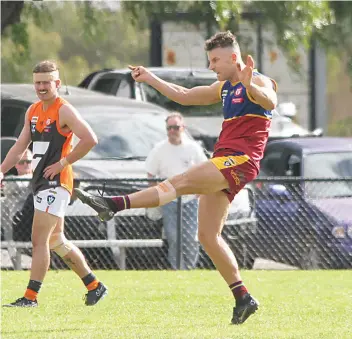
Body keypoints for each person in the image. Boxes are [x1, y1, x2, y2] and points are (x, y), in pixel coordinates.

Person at [75, 31, 278, 324]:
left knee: (179, 182)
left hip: (240, 161)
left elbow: (269, 101)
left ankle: (114, 204)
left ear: (234, 58)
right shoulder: (223, 87)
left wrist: (251, 87)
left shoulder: (256, 80)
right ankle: (243, 297)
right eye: (210, 61)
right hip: (224, 159)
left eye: (215, 60)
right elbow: (183, 96)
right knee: (208, 236)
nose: (211, 66)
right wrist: (149, 79)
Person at [0, 60, 107, 307]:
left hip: (56, 183)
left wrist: (62, 163)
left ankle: (30, 297)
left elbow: (90, 139)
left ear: (57, 83)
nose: (41, 87)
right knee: (56, 241)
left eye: (46, 82)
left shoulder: (64, 110)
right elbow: (19, 146)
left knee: (38, 241)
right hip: (41, 182)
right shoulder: (33, 111)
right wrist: (2, 170)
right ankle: (94, 285)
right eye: (37, 82)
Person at [146, 112, 207, 269]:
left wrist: (201, 190)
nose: (172, 131)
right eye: (169, 128)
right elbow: (151, 173)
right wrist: (156, 194)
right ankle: (177, 269)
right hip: (169, 198)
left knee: (190, 237)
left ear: (183, 128)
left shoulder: (193, 148)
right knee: (173, 236)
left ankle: (189, 268)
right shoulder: (159, 149)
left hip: (190, 199)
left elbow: (205, 169)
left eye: (175, 127)